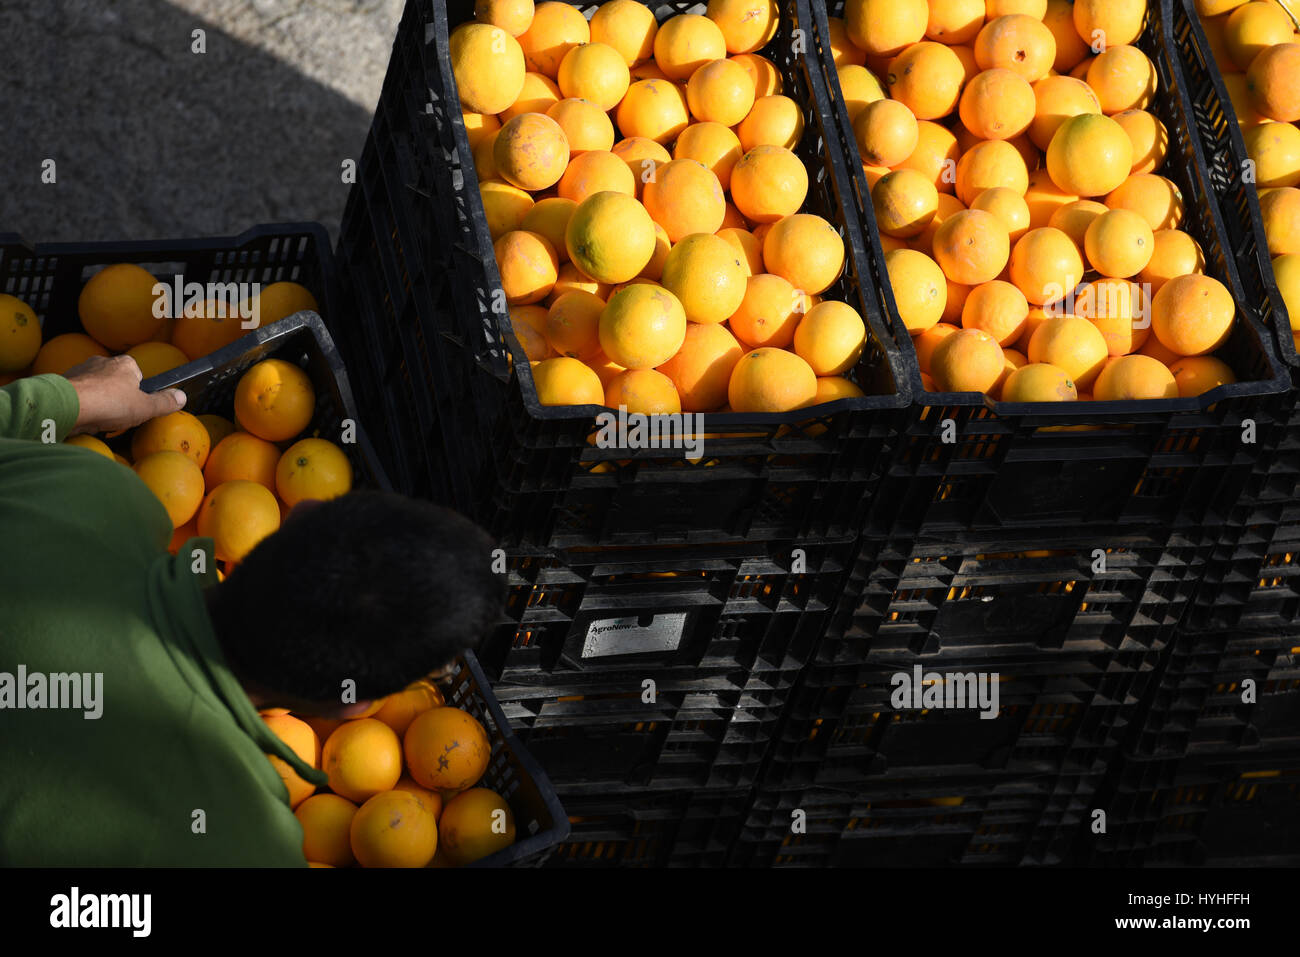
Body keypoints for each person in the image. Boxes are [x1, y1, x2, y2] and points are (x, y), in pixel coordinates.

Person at [0, 356, 504, 866]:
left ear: (302, 510)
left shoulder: (88, 494)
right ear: (350, 707)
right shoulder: (246, 841)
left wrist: (75, 398)